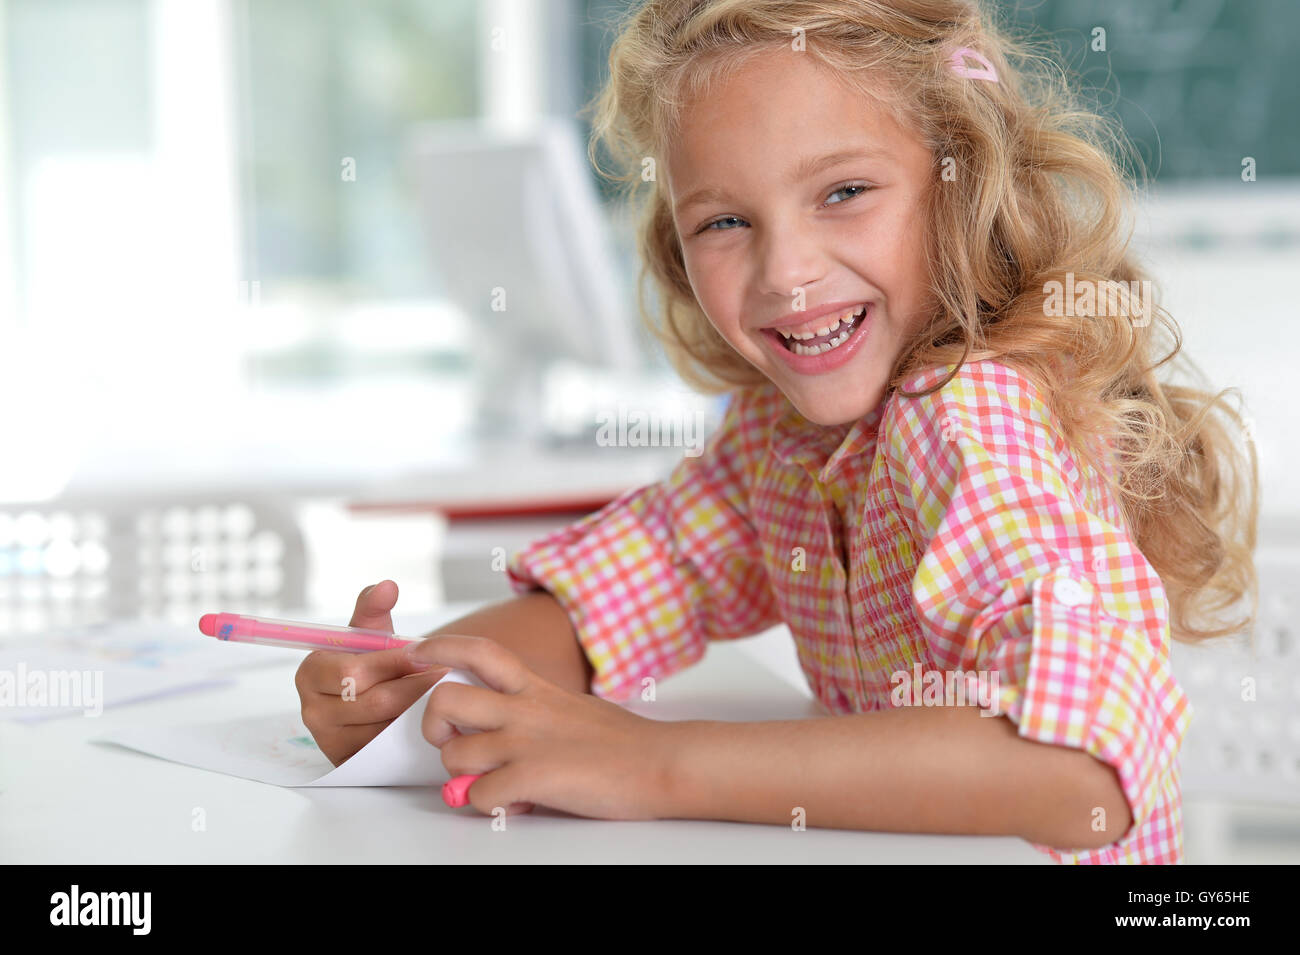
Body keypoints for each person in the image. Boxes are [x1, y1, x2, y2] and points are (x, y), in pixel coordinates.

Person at [296, 0, 1258, 864]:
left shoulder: (970, 413)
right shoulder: (778, 438)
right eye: (723, 221)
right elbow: (629, 584)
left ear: (964, 185)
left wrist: (652, 762)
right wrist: (416, 684)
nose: (787, 272)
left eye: (844, 192)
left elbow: (1082, 771)